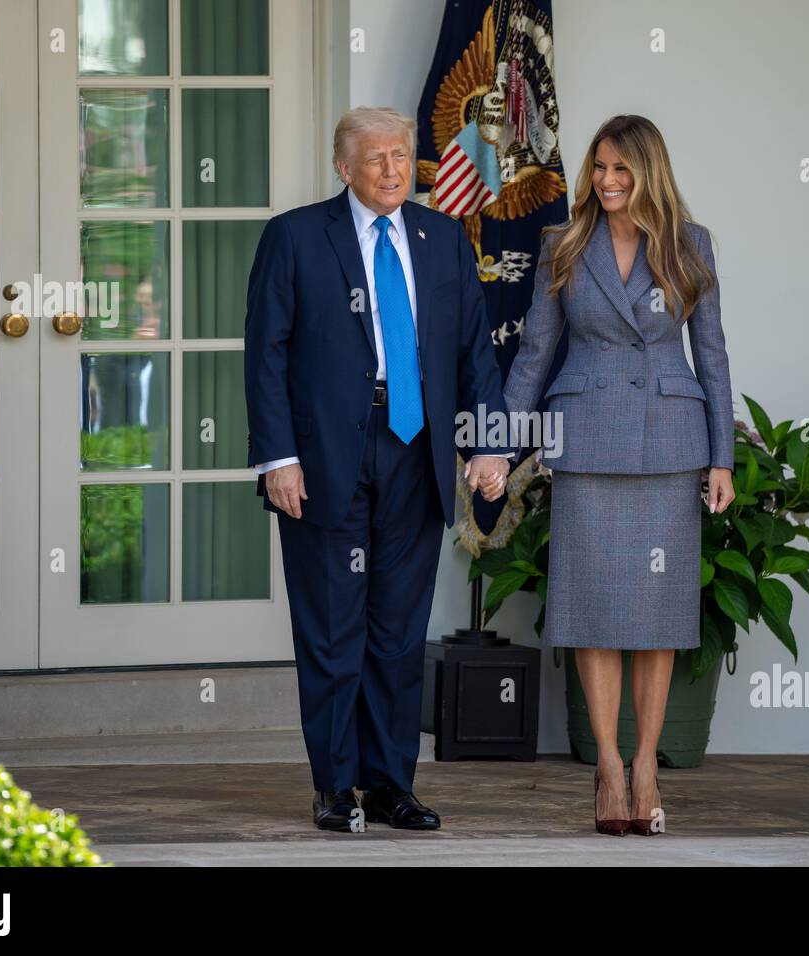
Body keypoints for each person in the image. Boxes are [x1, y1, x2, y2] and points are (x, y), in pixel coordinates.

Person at [243, 107, 512, 832]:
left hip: (415, 450)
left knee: (398, 631)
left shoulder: (444, 240)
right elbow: (265, 354)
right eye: (375, 158)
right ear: (343, 166)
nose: (392, 170)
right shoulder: (296, 238)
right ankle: (334, 786)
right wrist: (278, 457)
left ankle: (390, 785)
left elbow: (474, 355)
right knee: (333, 629)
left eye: (401, 156)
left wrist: (489, 443)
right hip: (324, 457)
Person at [495, 114, 736, 835]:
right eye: (598, 167)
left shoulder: (691, 246)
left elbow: (713, 356)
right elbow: (534, 355)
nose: (605, 181)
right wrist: (498, 446)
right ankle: (606, 763)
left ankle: (647, 765)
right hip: (589, 441)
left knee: (658, 621)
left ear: (648, 172)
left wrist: (721, 457)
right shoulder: (563, 245)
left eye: (620, 170)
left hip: (668, 443)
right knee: (594, 613)